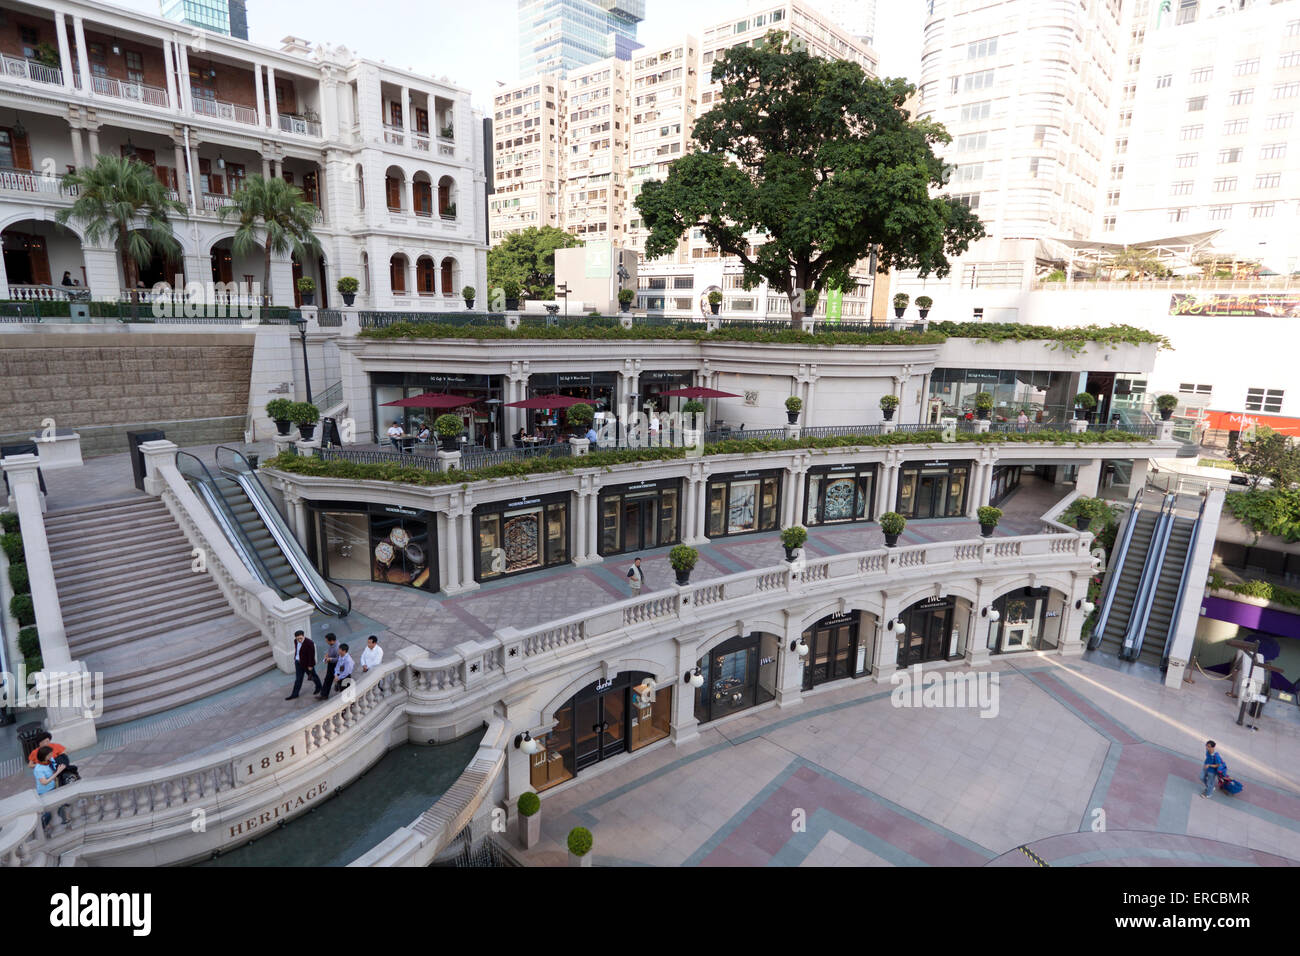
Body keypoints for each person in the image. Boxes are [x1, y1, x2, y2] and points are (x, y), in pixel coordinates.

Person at [33, 746, 69, 829]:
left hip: (54, 787)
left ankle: (64, 822)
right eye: (49, 754)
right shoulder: (38, 769)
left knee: (60, 805)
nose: (51, 755)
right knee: (48, 812)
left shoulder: (50, 760)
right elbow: (44, 782)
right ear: (44, 756)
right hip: (45, 792)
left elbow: (61, 754)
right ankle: (41, 827)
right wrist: (58, 772)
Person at [286, 629, 322, 699]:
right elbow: (298, 650)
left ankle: (319, 687)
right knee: (298, 679)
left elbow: (311, 655)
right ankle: (295, 694)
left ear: (303, 636)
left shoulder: (309, 643)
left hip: (307, 664)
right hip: (298, 663)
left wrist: (310, 665)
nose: (299, 640)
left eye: (300, 638)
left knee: (313, 676)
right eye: (297, 639)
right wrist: (296, 659)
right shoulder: (295, 641)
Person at [315, 632, 339, 699]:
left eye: (327, 641)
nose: (326, 642)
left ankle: (325, 694)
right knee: (327, 679)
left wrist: (330, 659)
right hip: (331, 664)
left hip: (334, 665)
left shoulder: (337, 648)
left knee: (330, 679)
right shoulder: (332, 645)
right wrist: (327, 655)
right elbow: (330, 652)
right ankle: (324, 694)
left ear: (331, 640)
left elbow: (338, 659)